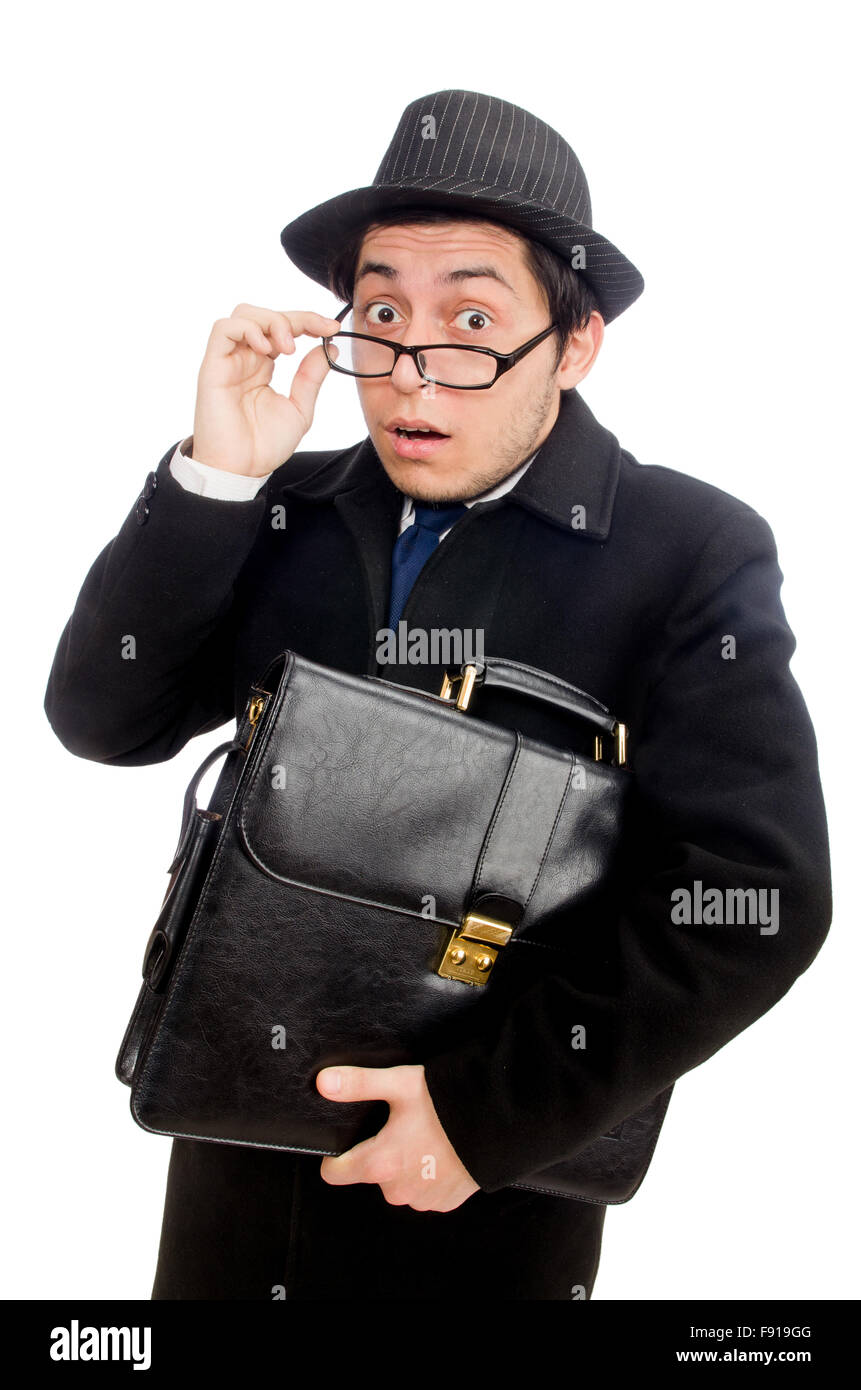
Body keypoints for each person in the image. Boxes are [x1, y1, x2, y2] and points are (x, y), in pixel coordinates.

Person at [43, 89, 832, 1301]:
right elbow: (104, 719)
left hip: (484, 1211)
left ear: (574, 343)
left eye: (471, 319)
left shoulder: (689, 549)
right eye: (380, 314)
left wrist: (481, 1114)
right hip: (229, 1198)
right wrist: (218, 476)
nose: (412, 373)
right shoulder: (283, 508)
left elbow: (754, 896)